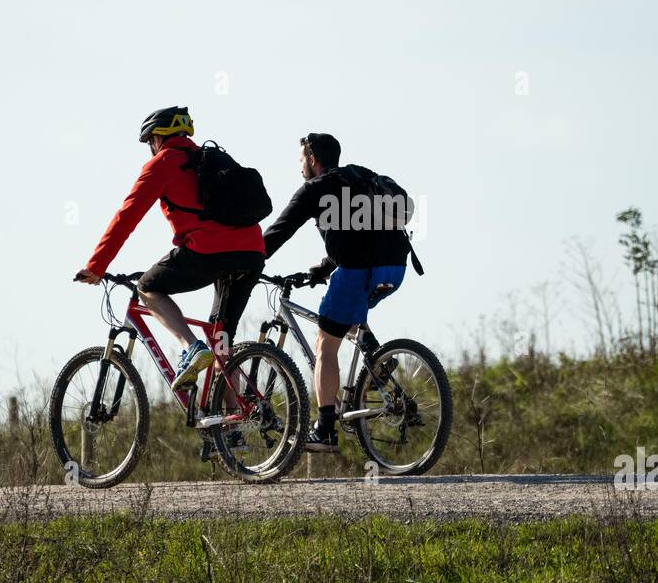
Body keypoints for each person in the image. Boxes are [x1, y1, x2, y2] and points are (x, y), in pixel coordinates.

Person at [75, 107, 265, 390]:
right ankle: (232, 427)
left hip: (208, 252)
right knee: (221, 342)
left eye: (149, 142)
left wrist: (96, 267)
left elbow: (127, 216)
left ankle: (190, 347)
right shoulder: (210, 157)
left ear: (157, 138)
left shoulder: (163, 163)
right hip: (251, 253)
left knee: (147, 287)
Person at [263, 132, 410, 451]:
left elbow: (278, 233)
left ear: (313, 159)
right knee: (346, 315)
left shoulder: (313, 189)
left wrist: (244, 262)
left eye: (301, 159)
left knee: (325, 346)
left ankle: (325, 429)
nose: (300, 166)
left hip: (358, 271)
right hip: (395, 268)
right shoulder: (361, 175)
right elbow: (359, 233)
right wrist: (325, 267)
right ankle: (375, 355)